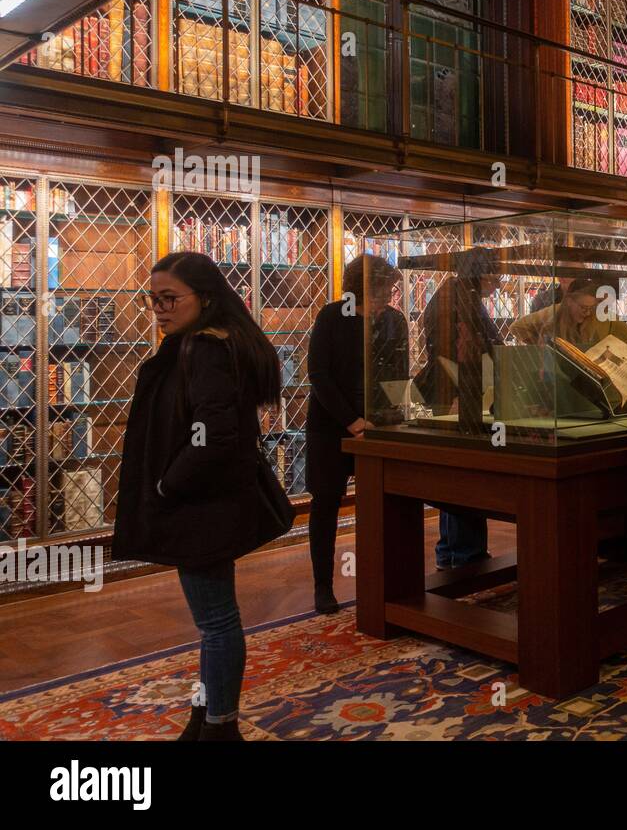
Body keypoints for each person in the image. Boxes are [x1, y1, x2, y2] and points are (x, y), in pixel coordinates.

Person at [112, 252, 283, 741]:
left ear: (204, 299)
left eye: (170, 299)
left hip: (201, 506)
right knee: (214, 619)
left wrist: (168, 483)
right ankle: (206, 715)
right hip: (209, 502)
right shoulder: (203, 343)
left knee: (217, 621)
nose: (160, 309)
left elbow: (214, 434)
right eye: (153, 300)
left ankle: (220, 726)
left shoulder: (205, 349)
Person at [305, 255, 408, 614]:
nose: (387, 297)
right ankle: (323, 586)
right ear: (361, 289)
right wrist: (353, 421)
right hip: (330, 425)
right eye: (380, 289)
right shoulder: (332, 316)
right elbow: (318, 374)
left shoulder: (395, 321)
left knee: (380, 502)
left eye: (389, 289)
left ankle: (381, 580)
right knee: (326, 504)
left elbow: (399, 373)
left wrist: (391, 419)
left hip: (378, 426)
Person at [417, 247, 503, 570]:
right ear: (479, 272)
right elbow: (454, 351)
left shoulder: (458, 293)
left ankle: (459, 551)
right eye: (494, 275)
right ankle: (461, 554)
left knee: (457, 477)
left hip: (458, 392)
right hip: (455, 395)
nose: (498, 283)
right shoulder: (459, 297)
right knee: (459, 477)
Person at [508, 276, 627, 350]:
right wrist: (544, 347)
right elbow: (517, 328)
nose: (587, 312)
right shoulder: (555, 311)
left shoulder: (599, 314)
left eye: (591, 307)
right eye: (583, 307)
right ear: (568, 302)